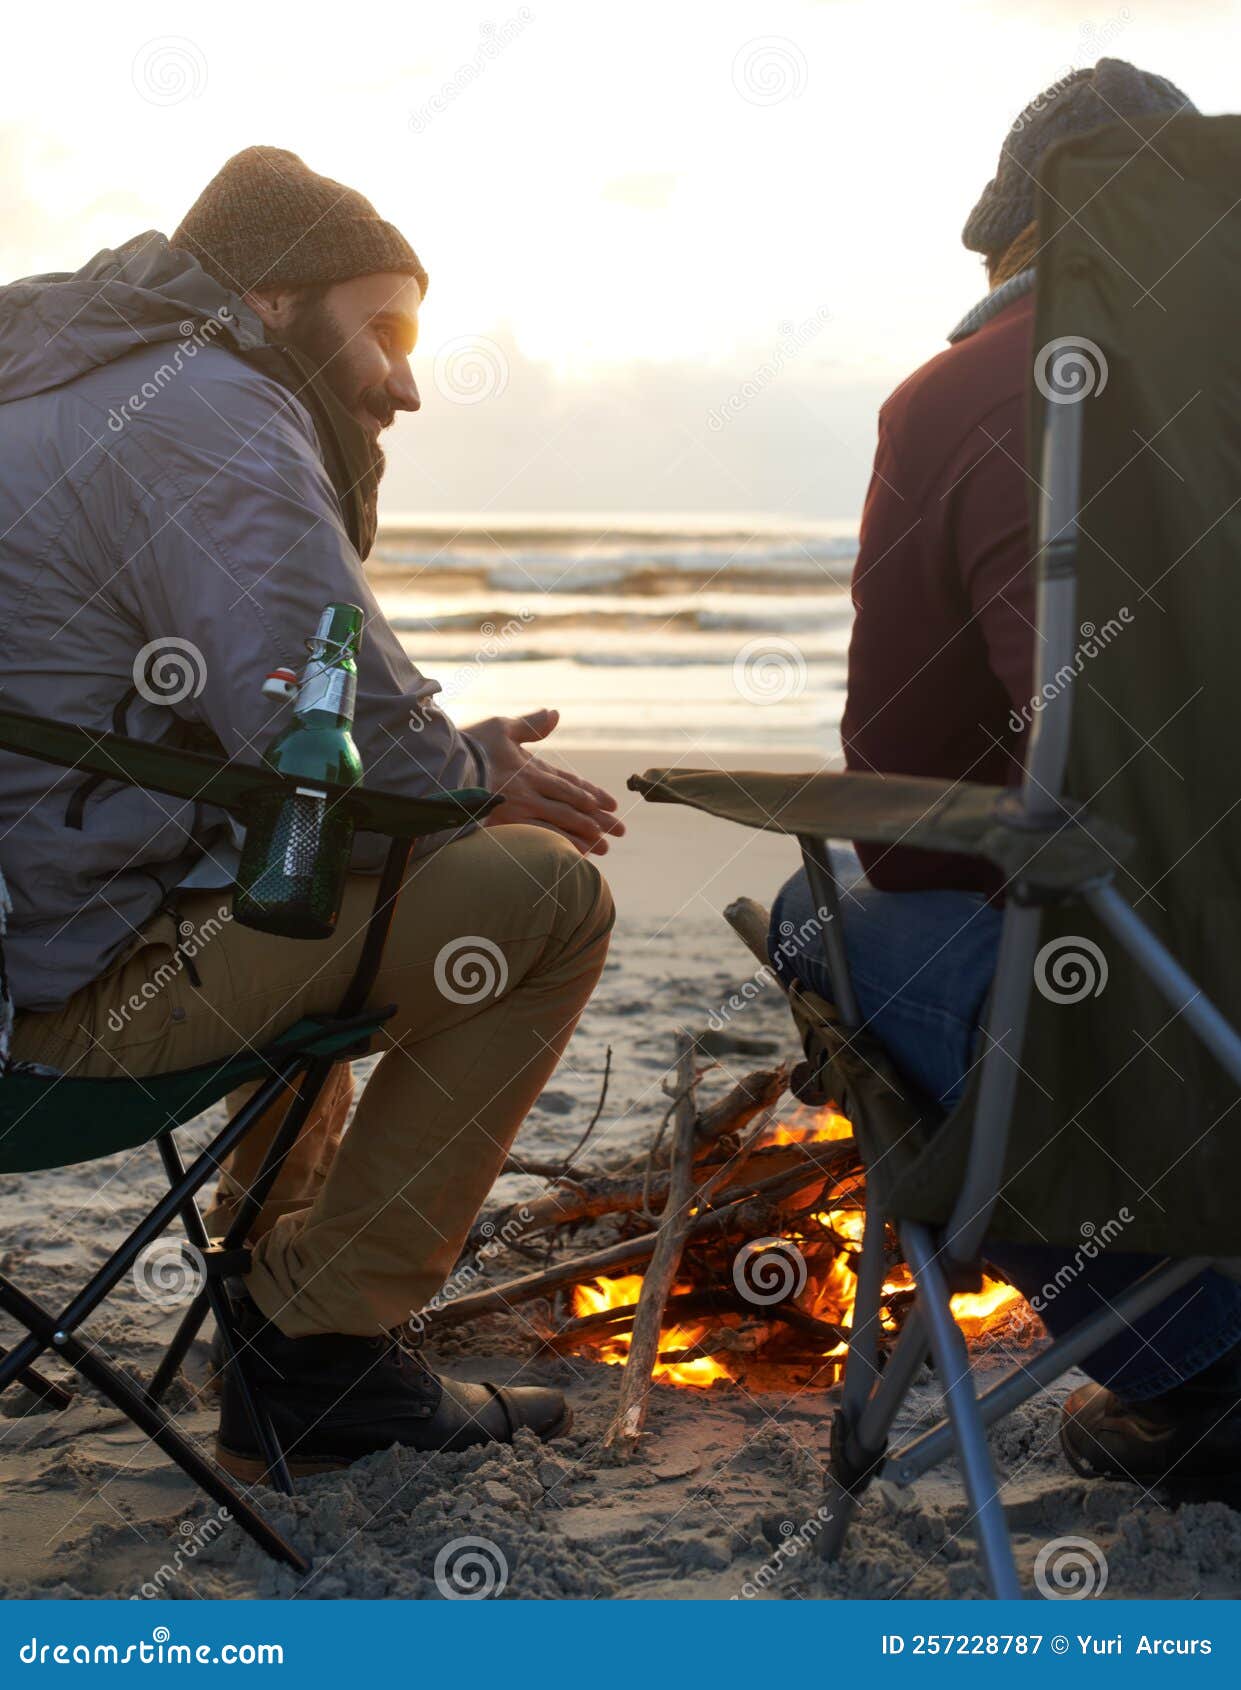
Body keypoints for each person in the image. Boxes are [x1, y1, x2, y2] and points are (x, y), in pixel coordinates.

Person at [0, 147, 622, 1476]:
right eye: (383, 331)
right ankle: (317, 1351)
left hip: (38, 935)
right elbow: (351, 742)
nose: (406, 382)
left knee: (315, 851)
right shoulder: (207, 408)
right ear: (273, 298)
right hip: (52, 1018)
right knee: (548, 898)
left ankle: (262, 1276)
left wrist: (434, 777)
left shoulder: (53, 382)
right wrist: (472, 774)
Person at [770, 61, 1241, 1484]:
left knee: (820, 920)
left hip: (1133, 1021)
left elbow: (901, 809)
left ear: (1017, 240)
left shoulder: (964, 394)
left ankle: (1200, 1366)